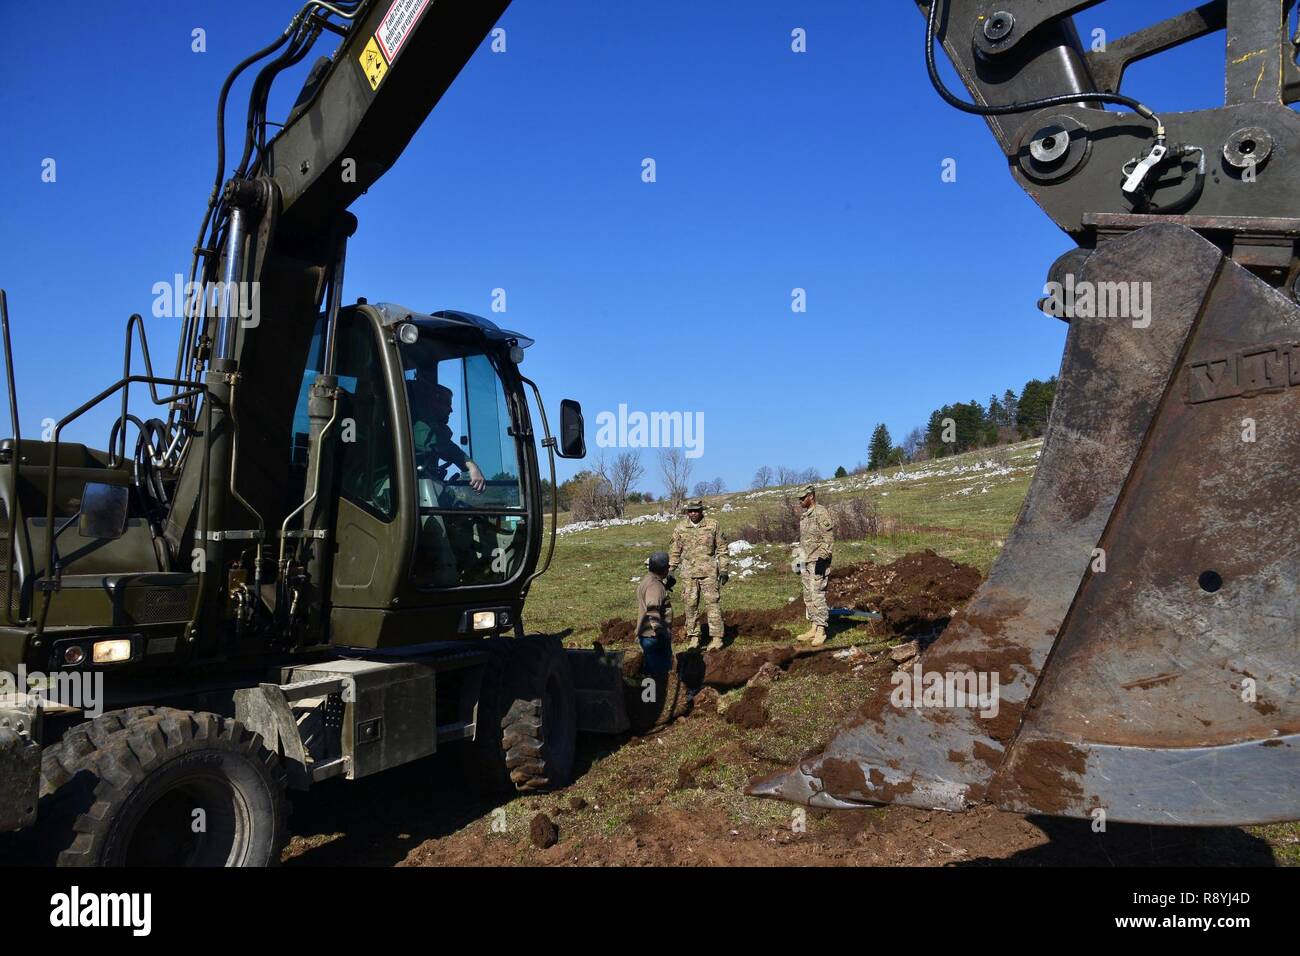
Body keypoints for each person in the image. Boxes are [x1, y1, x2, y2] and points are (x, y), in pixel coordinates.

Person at [406, 376, 486, 493]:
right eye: (447, 404)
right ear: (432, 403)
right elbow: (444, 446)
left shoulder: (430, 429)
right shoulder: (420, 429)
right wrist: (472, 466)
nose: (451, 410)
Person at [668, 498, 728, 651]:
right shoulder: (680, 528)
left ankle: (716, 638)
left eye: (696, 510)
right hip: (688, 574)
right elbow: (675, 551)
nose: (693, 513)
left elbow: (722, 549)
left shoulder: (713, 525)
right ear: (687, 512)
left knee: (713, 604)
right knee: (690, 605)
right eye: (690, 511)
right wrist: (670, 571)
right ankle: (694, 637)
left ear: (702, 511)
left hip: (709, 573)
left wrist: (724, 570)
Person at [795, 484, 834, 646]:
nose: (800, 501)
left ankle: (821, 630)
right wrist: (798, 560)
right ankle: (813, 626)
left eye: (803, 498)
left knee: (817, 595)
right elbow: (804, 540)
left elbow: (828, 538)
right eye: (799, 498)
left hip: (818, 562)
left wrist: (823, 558)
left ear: (811, 496)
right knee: (808, 596)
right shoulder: (805, 516)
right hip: (805, 561)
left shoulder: (820, 512)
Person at [636, 551, 675, 673]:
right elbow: (653, 610)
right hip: (654, 637)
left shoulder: (649, 579)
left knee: (651, 671)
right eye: (668, 566)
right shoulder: (654, 586)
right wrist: (661, 632)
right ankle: (657, 691)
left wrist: (665, 587)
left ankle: (650, 691)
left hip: (647, 635)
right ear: (664, 569)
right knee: (659, 673)